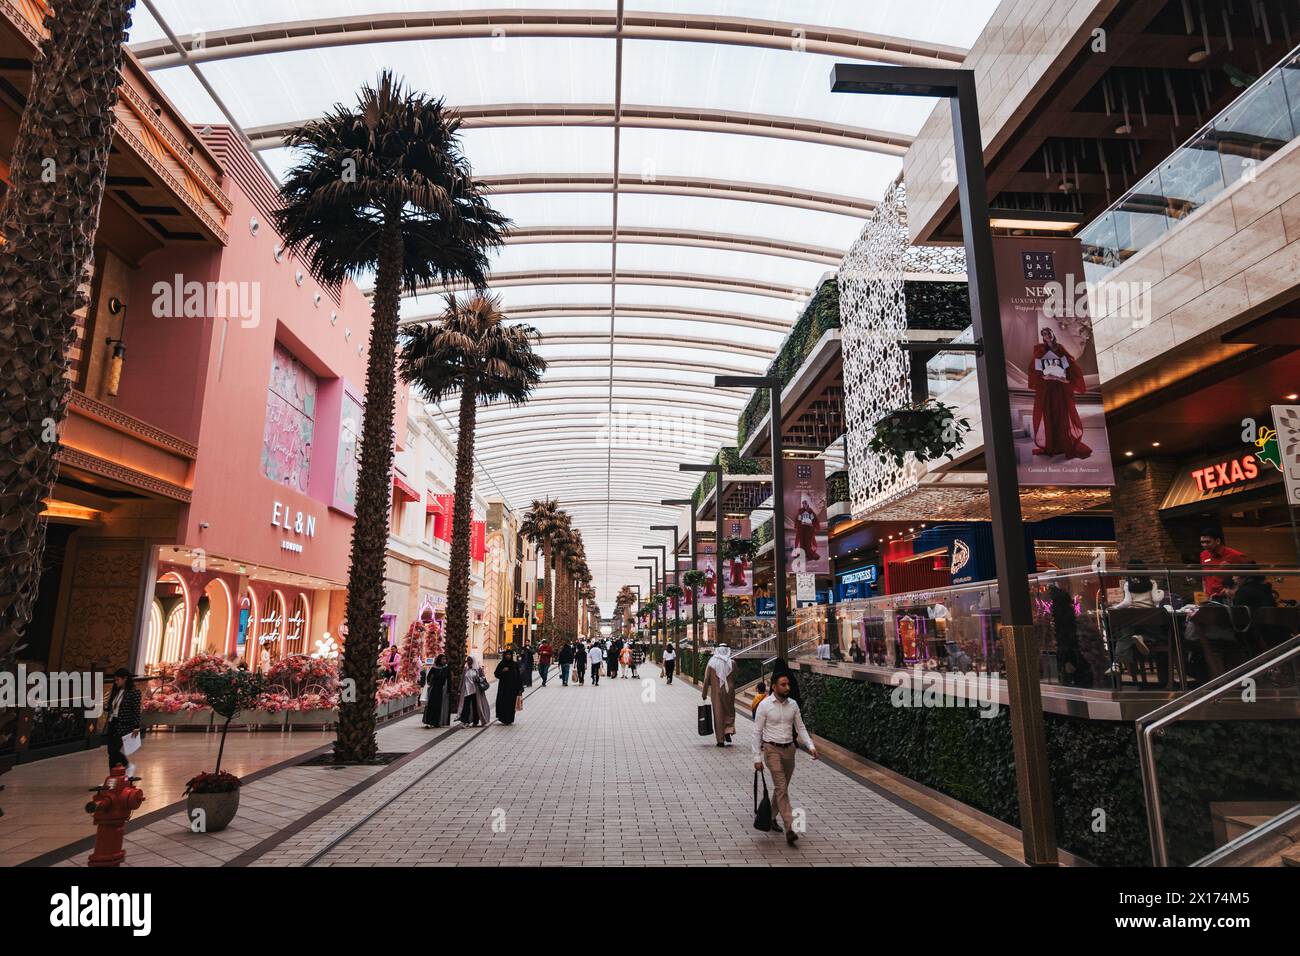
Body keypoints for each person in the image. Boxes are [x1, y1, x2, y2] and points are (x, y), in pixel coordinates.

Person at [753, 673, 818, 846]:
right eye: (783, 684)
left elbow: (800, 727)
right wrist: (756, 757)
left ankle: (772, 817)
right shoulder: (764, 706)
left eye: (788, 684)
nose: (787, 687)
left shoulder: (793, 705)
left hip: (789, 750)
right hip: (771, 749)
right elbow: (757, 732)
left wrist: (811, 746)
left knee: (781, 788)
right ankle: (790, 828)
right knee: (781, 787)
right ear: (774, 687)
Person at [1028, 324, 1092, 460]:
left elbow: (1068, 368)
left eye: (1049, 332)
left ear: (1052, 334)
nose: (1047, 335)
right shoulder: (1040, 349)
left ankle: (1064, 443)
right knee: (1049, 415)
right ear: (1043, 337)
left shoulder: (1060, 349)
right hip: (1047, 390)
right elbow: (1036, 371)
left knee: (1062, 414)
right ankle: (1053, 445)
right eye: (1045, 334)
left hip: (1060, 389)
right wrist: (1048, 376)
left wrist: (1063, 379)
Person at [104, 668, 141, 772]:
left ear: (125, 679)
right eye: (115, 680)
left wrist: (136, 726)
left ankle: (127, 765)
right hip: (113, 722)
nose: (116, 682)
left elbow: (136, 710)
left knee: (115, 750)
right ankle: (113, 775)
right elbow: (112, 706)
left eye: (117, 680)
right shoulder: (116, 691)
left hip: (124, 725)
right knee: (111, 752)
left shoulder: (134, 692)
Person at [702, 644, 736, 747]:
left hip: (716, 693)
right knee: (729, 712)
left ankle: (720, 740)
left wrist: (704, 693)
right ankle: (728, 730)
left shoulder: (711, 662)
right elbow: (735, 675)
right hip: (729, 692)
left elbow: (706, 679)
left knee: (718, 714)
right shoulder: (732, 663)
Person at [1199, 527, 1248, 598]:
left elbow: (1246, 577)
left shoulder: (1235, 555)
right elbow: (1204, 577)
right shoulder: (1203, 554)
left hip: (1229, 597)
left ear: (1218, 541)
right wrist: (1205, 592)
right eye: (1202, 542)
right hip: (1211, 597)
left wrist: (1230, 589)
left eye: (1208, 542)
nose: (1204, 545)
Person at [494, 650, 524, 725]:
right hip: (503, 688)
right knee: (503, 702)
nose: (508, 656)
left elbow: (518, 676)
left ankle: (510, 719)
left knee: (511, 703)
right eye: (506, 655)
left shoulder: (514, 664)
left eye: (509, 655)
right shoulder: (502, 664)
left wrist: (520, 687)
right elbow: (496, 674)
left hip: (512, 688)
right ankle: (503, 718)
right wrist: (503, 671)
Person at [421, 654, 450, 727]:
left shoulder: (446, 668)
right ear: (439, 660)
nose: (444, 661)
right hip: (434, 689)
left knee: (439, 706)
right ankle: (430, 721)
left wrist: (448, 689)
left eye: (445, 659)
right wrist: (430, 683)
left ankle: (437, 722)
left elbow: (449, 678)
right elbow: (428, 676)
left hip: (442, 689)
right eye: (442, 659)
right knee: (431, 705)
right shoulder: (434, 667)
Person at [459, 657, 489, 727]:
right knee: (465, 706)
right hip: (466, 691)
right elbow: (462, 679)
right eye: (468, 660)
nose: (468, 661)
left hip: (476, 691)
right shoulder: (466, 669)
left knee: (475, 707)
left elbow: (483, 678)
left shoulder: (478, 669)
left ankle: (475, 721)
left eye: (470, 660)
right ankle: (465, 721)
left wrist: (479, 679)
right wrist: (459, 689)